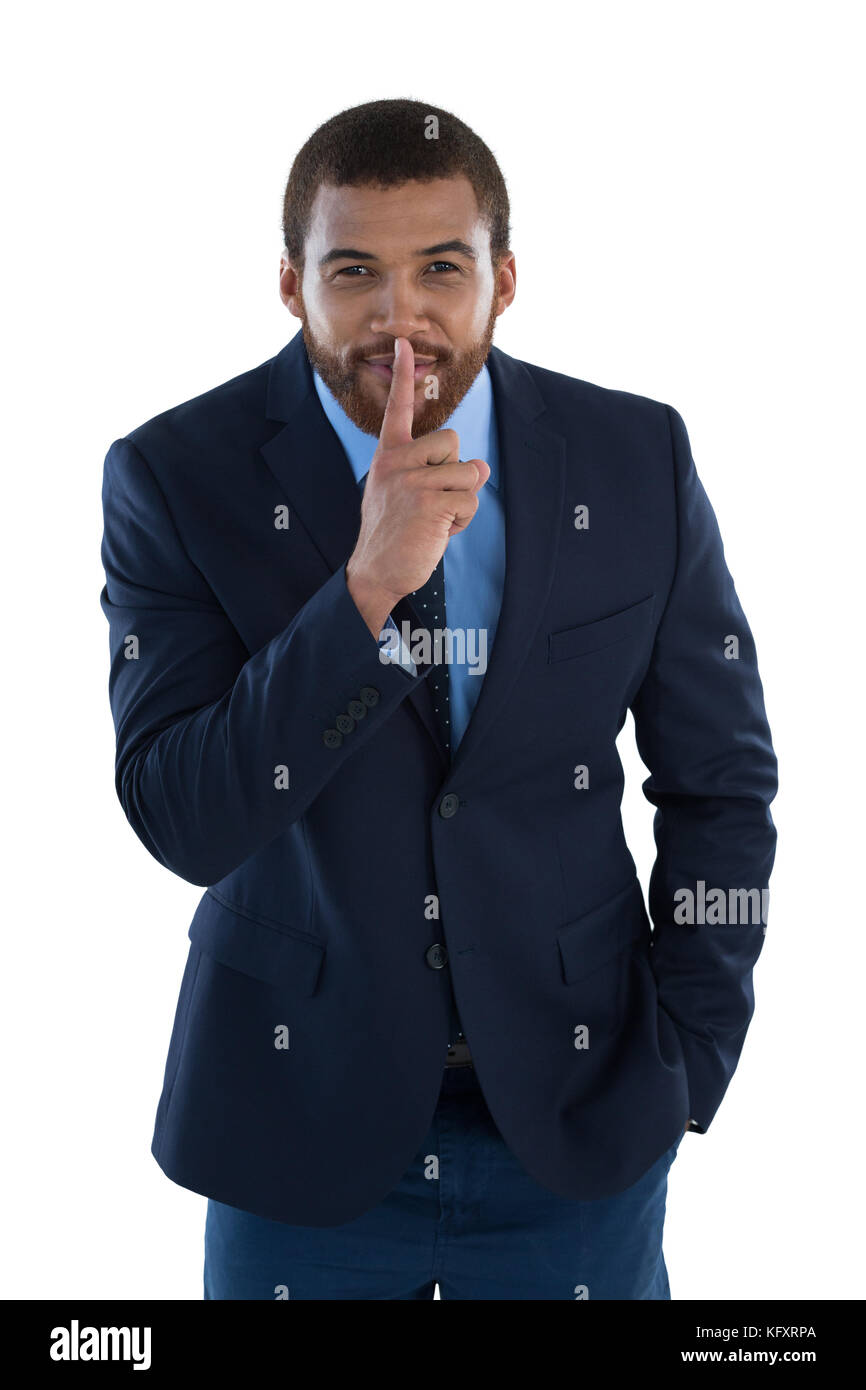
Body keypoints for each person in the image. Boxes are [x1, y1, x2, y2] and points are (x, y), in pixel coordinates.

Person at [99, 98, 778, 1300]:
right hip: (296, 1129)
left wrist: (687, 1055)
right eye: (352, 269)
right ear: (288, 282)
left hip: (576, 1125)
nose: (396, 315)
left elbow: (719, 782)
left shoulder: (633, 458)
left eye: (440, 269)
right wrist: (363, 591)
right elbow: (185, 816)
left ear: (503, 279)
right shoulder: (173, 476)